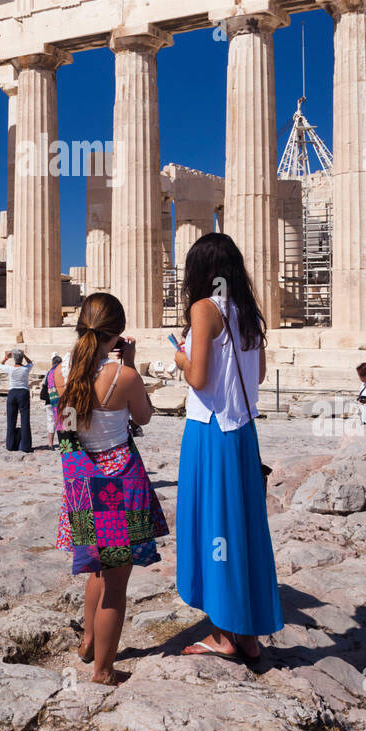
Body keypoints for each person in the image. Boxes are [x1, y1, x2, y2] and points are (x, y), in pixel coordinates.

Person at [173, 233, 283, 663]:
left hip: (210, 430)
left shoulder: (204, 310)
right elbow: (255, 380)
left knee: (213, 525)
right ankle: (249, 634)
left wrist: (180, 360)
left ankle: (222, 633)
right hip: (242, 432)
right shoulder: (247, 313)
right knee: (243, 527)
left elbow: (198, 379)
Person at [53, 293, 168, 685]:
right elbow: (145, 417)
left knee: (96, 571)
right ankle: (103, 671)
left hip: (83, 486)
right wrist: (130, 364)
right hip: (120, 485)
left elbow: (66, 428)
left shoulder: (58, 375)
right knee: (116, 585)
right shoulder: (124, 377)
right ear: (116, 334)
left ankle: (87, 644)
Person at [0, 347, 33, 452]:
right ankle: (26, 446)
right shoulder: (26, 369)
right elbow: (30, 362)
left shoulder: (11, 369)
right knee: (25, 420)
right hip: (23, 393)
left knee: (11, 420)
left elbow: (0, 365)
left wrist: (6, 357)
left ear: (14, 359)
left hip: (13, 393)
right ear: (22, 358)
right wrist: (24, 355)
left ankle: (10, 445)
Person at [42, 352, 64, 448]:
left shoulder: (48, 373)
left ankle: (50, 443)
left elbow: (44, 385)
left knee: (50, 422)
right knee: (62, 422)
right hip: (59, 401)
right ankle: (63, 443)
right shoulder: (61, 373)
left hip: (49, 400)